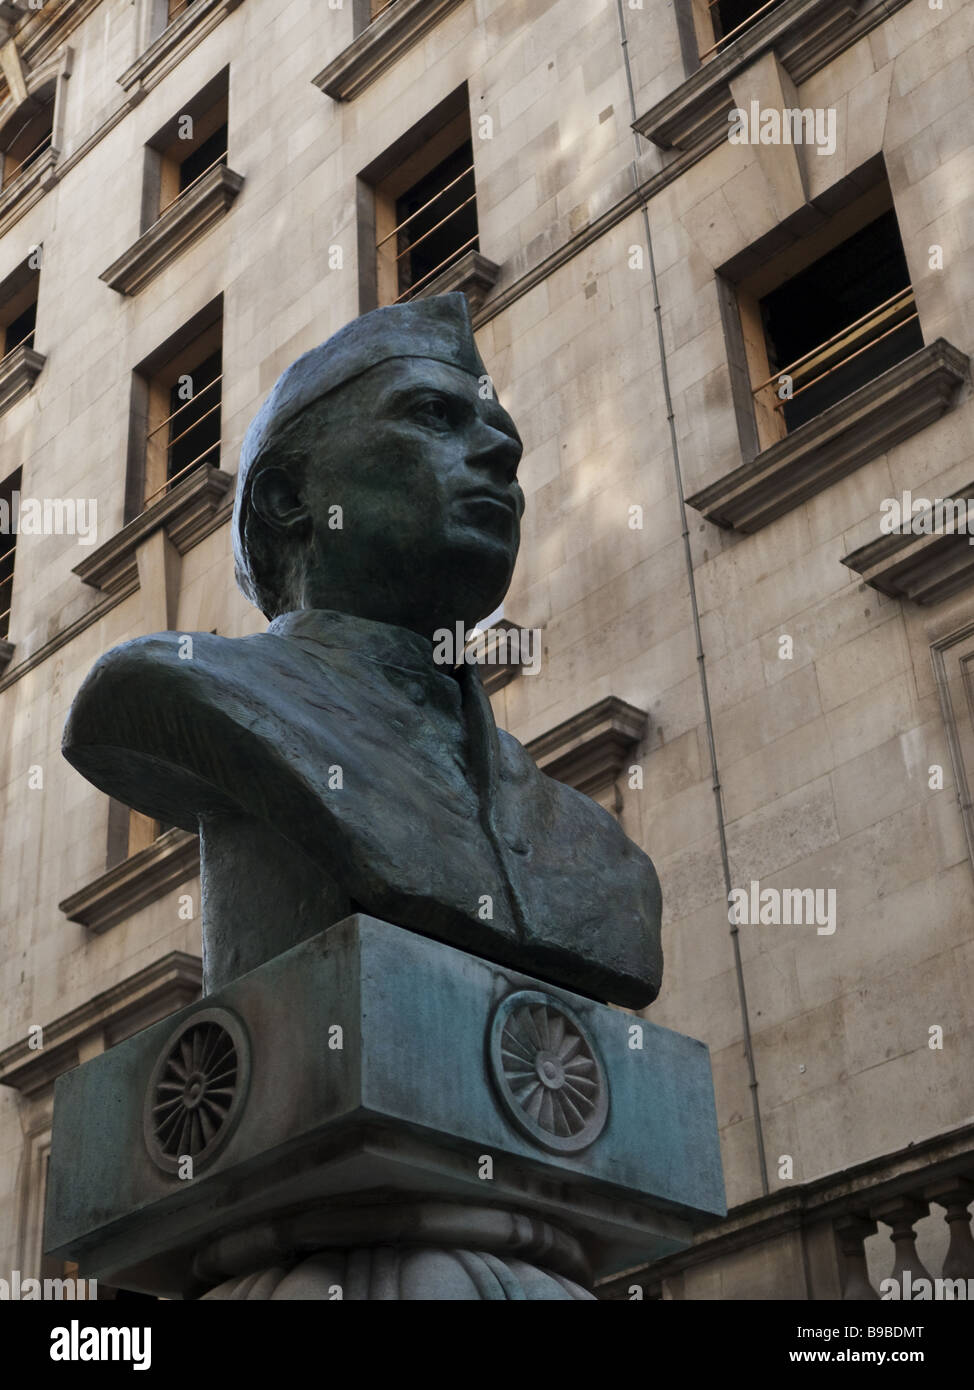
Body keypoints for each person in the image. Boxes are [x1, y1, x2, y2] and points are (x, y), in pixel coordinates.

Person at [63, 294, 662, 1007]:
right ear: (289, 494)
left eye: (505, 435)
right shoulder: (169, 686)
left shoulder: (602, 853)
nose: (504, 451)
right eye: (435, 415)